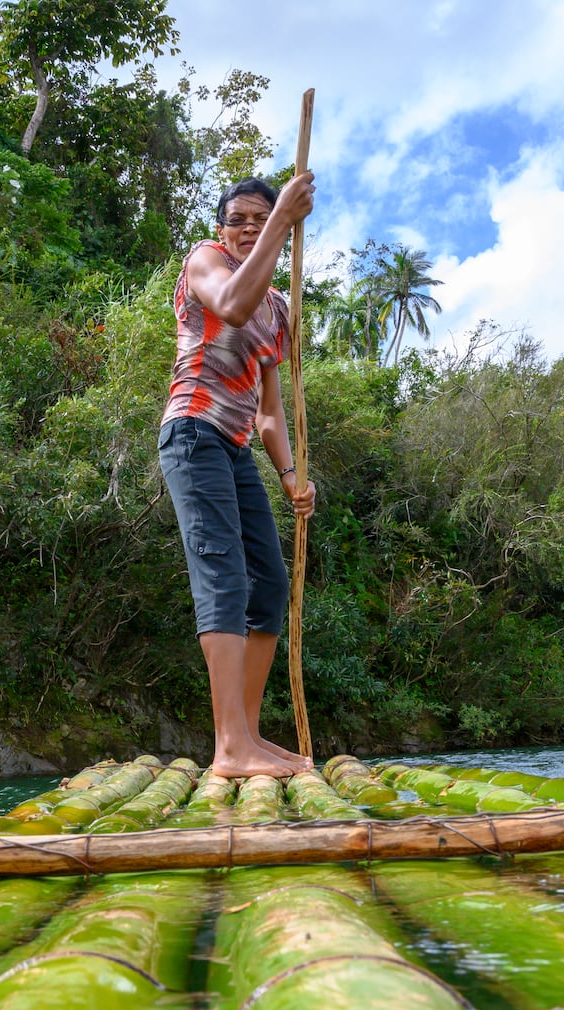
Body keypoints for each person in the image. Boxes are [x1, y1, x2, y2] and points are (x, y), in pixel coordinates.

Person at [157, 172, 318, 778]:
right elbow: (230, 304)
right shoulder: (207, 261)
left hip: (235, 445)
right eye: (239, 219)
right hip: (193, 431)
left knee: (269, 583)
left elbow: (270, 411)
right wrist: (283, 220)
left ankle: (247, 735)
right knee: (224, 578)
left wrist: (291, 478)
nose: (249, 228)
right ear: (221, 228)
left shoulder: (278, 310)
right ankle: (230, 749)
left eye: (263, 218)